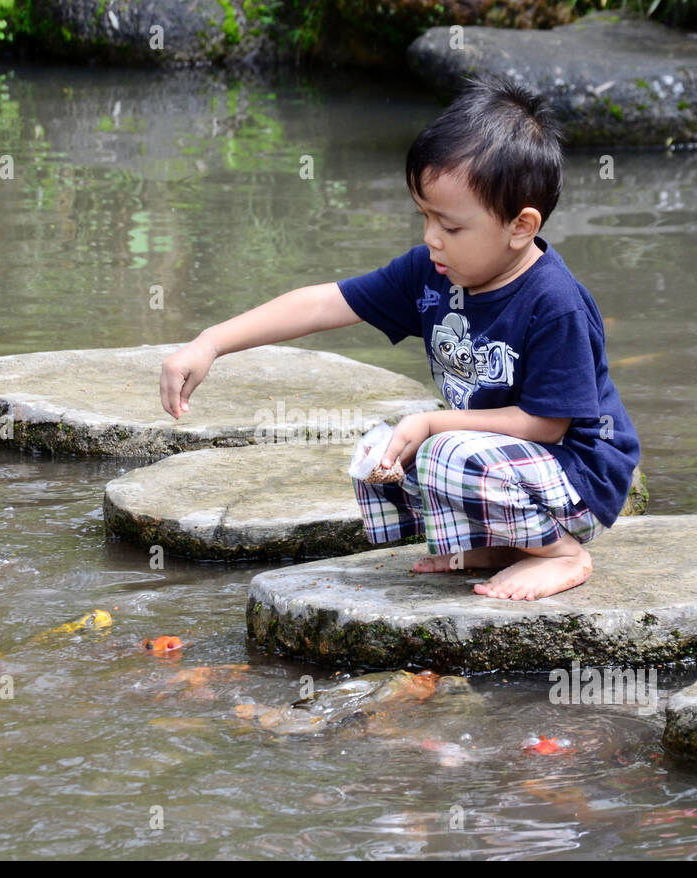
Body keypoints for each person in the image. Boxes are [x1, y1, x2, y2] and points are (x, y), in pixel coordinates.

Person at [159, 75, 640, 602]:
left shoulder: (554, 302)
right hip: (507, 464)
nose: (431, 237)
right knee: (380, 450)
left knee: (443, 450)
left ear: (521, 226)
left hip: (578, 478)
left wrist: (433, 422)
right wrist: (210, 342)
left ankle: (563, 553)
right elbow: (325, 302)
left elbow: (547, 424)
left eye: (450, 227)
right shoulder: (432, 272)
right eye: (425, 217)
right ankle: (501, 544)